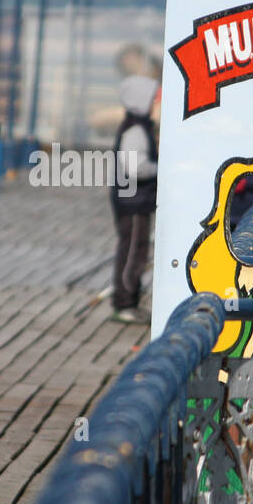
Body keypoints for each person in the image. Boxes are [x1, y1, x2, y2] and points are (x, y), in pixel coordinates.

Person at [111, 76, 159, 323]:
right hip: (133, 202)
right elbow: (134, 167)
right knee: (133, 251)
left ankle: (130, 299)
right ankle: (124, 301)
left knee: (137, 248)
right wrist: (160, 168)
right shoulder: (136, 131)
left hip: (136, 201)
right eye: (153, 98)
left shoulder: (139, 127)